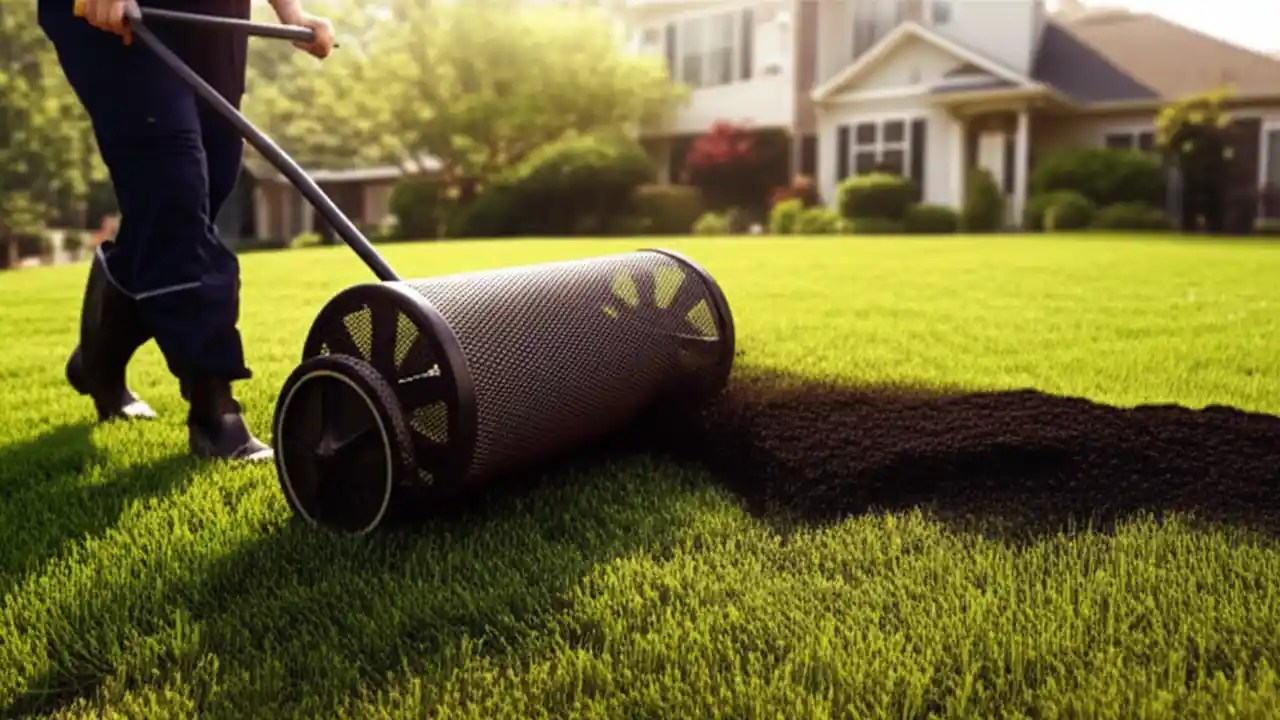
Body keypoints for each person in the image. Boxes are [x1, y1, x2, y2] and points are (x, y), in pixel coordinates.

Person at [38, 0, 335, 462]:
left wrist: (292, 14)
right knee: (172, 183)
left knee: (207, 181)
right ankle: (214, 411)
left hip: (214, 11)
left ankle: (98, 359)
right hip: (111, 15)